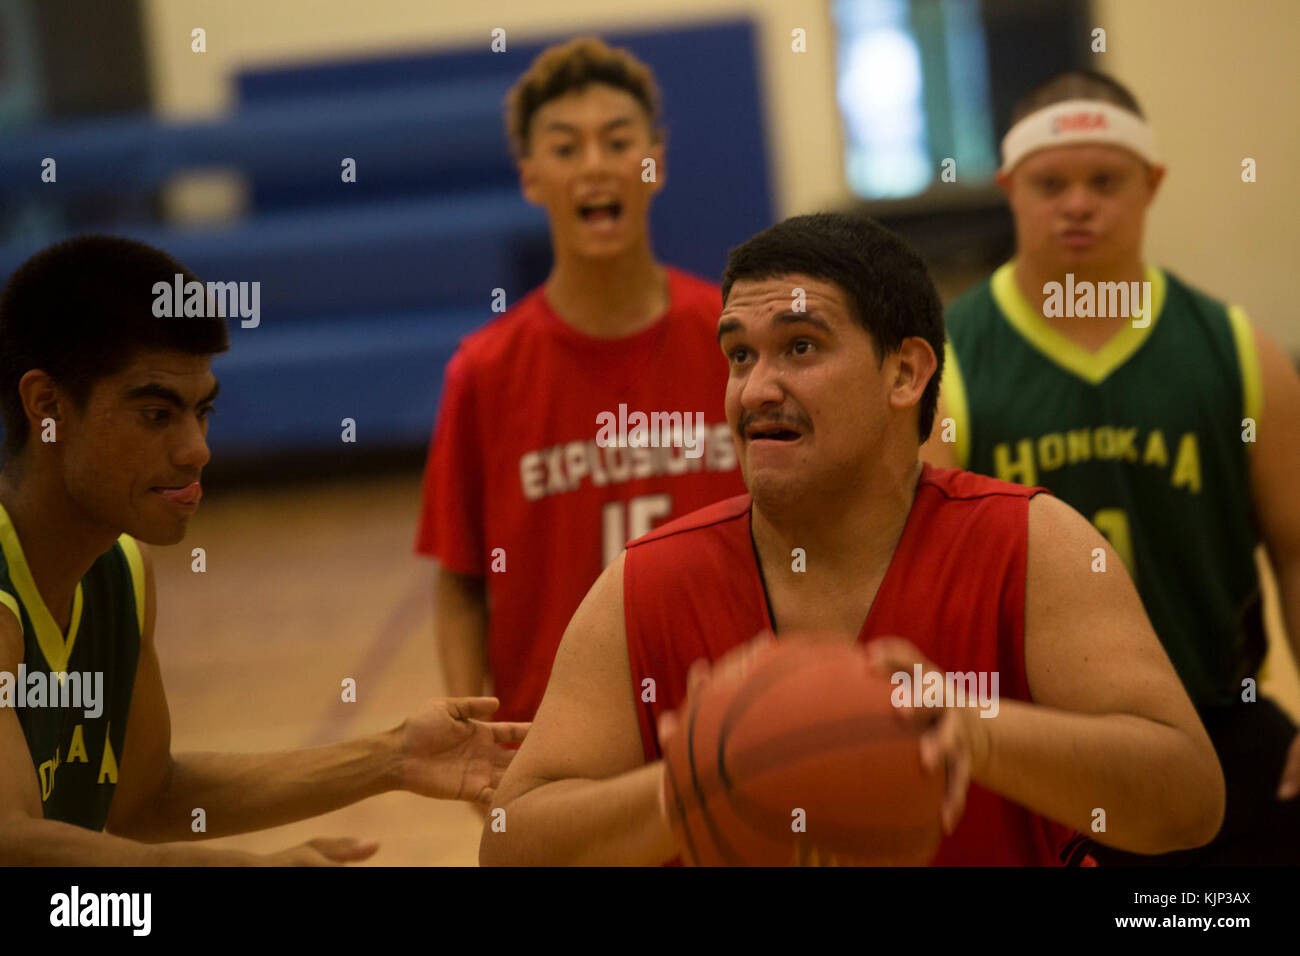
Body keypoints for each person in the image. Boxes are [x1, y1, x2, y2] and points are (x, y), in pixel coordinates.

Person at [480, 212, 1224, 866]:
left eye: (800, 347)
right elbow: (512, 843)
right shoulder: (648, 581)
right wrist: (697, 788)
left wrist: (976, 734)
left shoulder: (1031, 542)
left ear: (905, 372)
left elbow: (1188, 801)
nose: (756, 389)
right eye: (740, 355)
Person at [0, 236, 525, 865]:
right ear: (47, 406)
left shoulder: (121, 573)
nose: (197, 449)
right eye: (156, 415)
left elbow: (146, 798)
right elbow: (12, 838)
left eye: (202, 411)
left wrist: (392, 757)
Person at [921, 70, 1300, 864]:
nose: (1078, 203)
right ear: (1010, 189)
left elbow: (1296, 549)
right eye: (1051, 182)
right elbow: (922, 565)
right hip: (1036, 749)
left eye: (1105, 180)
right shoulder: (951, 361)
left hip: (1217, 724)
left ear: (1152, 183)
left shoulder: (1238, 352)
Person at [415, 37, 744, 731]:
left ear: (654, 161)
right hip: (557, 743)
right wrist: (473, 732)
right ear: (531, 177)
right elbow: (460, 581)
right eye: (566, 149)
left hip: (732, 727)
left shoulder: (735, 338)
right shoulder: (484, 371)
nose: (595, 166)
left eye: (618, 142)